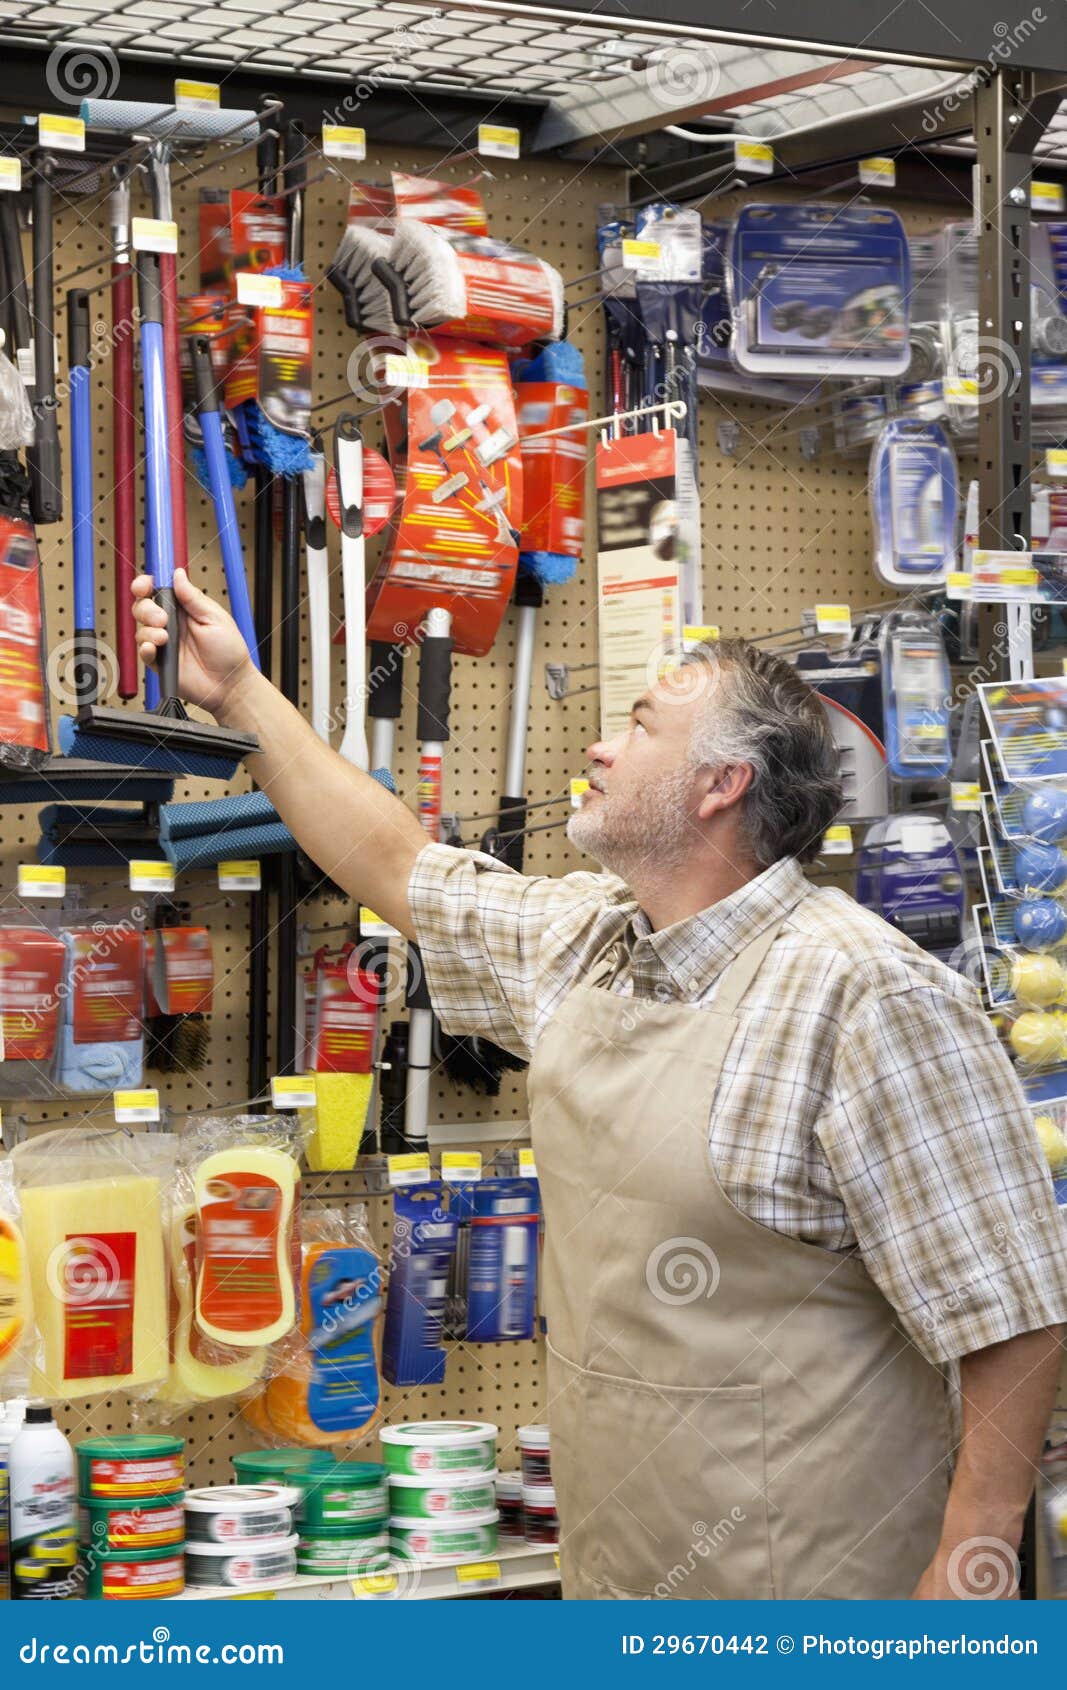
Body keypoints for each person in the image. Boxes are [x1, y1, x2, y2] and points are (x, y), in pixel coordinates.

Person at [133, 569, 1067, 1601]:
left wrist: (968, 1560)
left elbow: (1010, 1310)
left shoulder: (865, 994)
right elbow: (396, 864)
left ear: (719, 785)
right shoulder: (590, 944)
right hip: (616, 1582)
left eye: (637, 725)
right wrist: (237, 695)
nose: (598, 746)